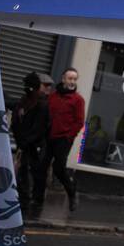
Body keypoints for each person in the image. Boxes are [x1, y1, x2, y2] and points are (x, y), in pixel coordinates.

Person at [45, 67, 85, 211]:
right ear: (63, 79)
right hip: (49, 137)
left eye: (75, 79)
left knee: (58, 168)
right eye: (70, 78)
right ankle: (36, 199)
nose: (72, 81)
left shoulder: (78, 100)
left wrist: (69, 136)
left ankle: (72, 193)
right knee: (41, 166)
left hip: (64, 138)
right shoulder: (53, 96)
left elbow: (80, 122)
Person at [12, 71, 51, 211]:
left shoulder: (41, 104)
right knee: (22, 171)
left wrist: (25, 141)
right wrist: (19, 139)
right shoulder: (24, 101)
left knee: (30, 172)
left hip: (34, 146)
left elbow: (39, 128)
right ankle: (23, 199)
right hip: (24, 143)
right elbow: (16, 121)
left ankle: (27, 201)